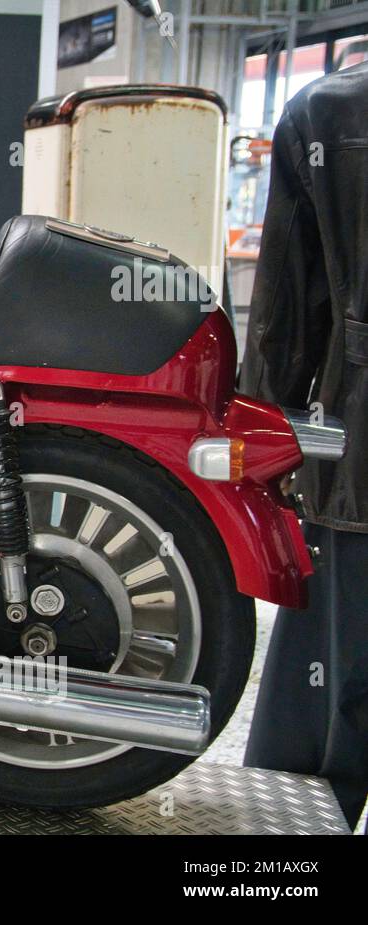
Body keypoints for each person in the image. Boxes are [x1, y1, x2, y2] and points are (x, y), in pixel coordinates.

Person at [239, 61, 368, 833]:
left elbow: (287, 313)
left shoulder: (327, 110)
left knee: (319, 743)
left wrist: (267, 441)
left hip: (356, 461)